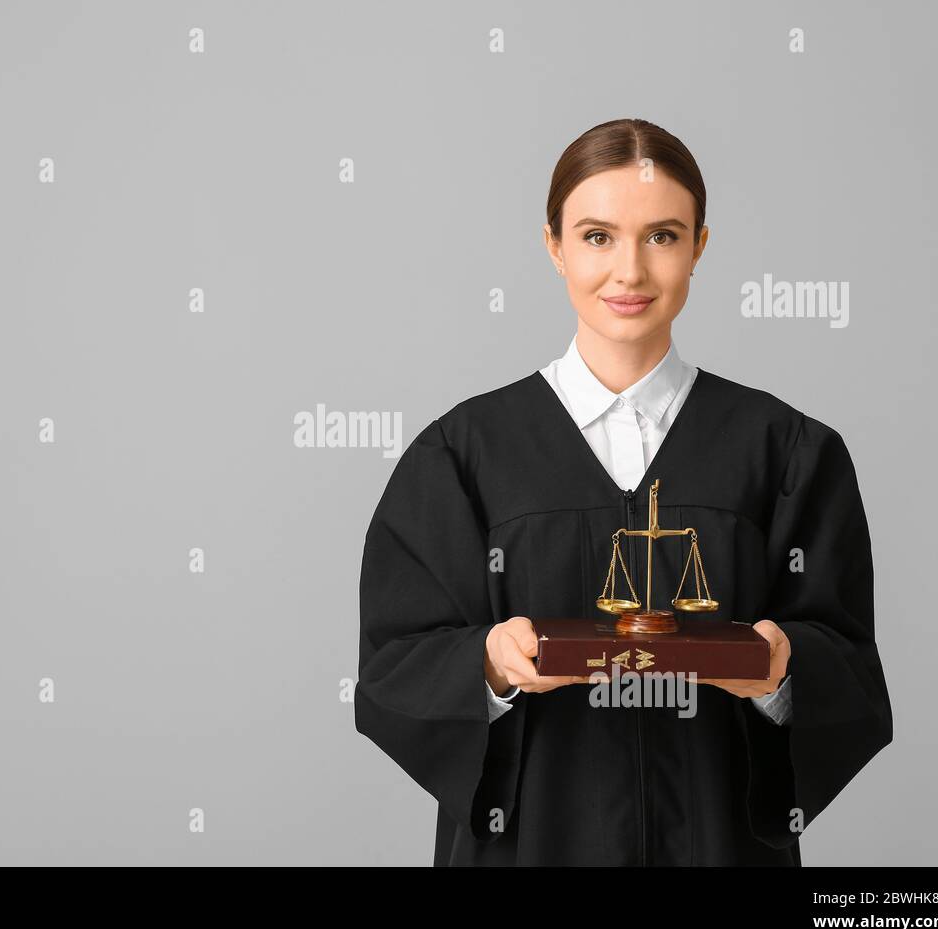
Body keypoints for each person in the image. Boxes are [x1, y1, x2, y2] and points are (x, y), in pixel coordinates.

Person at [354, 118, 893, 866]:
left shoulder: (789, 452)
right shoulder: (462, 454)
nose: (630, 272)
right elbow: (391, 671)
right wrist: (489, 664)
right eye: (598, 236)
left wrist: (782, 668)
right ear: (554, 245)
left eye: (663, 236)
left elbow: (853, 672)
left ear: (701, 245)